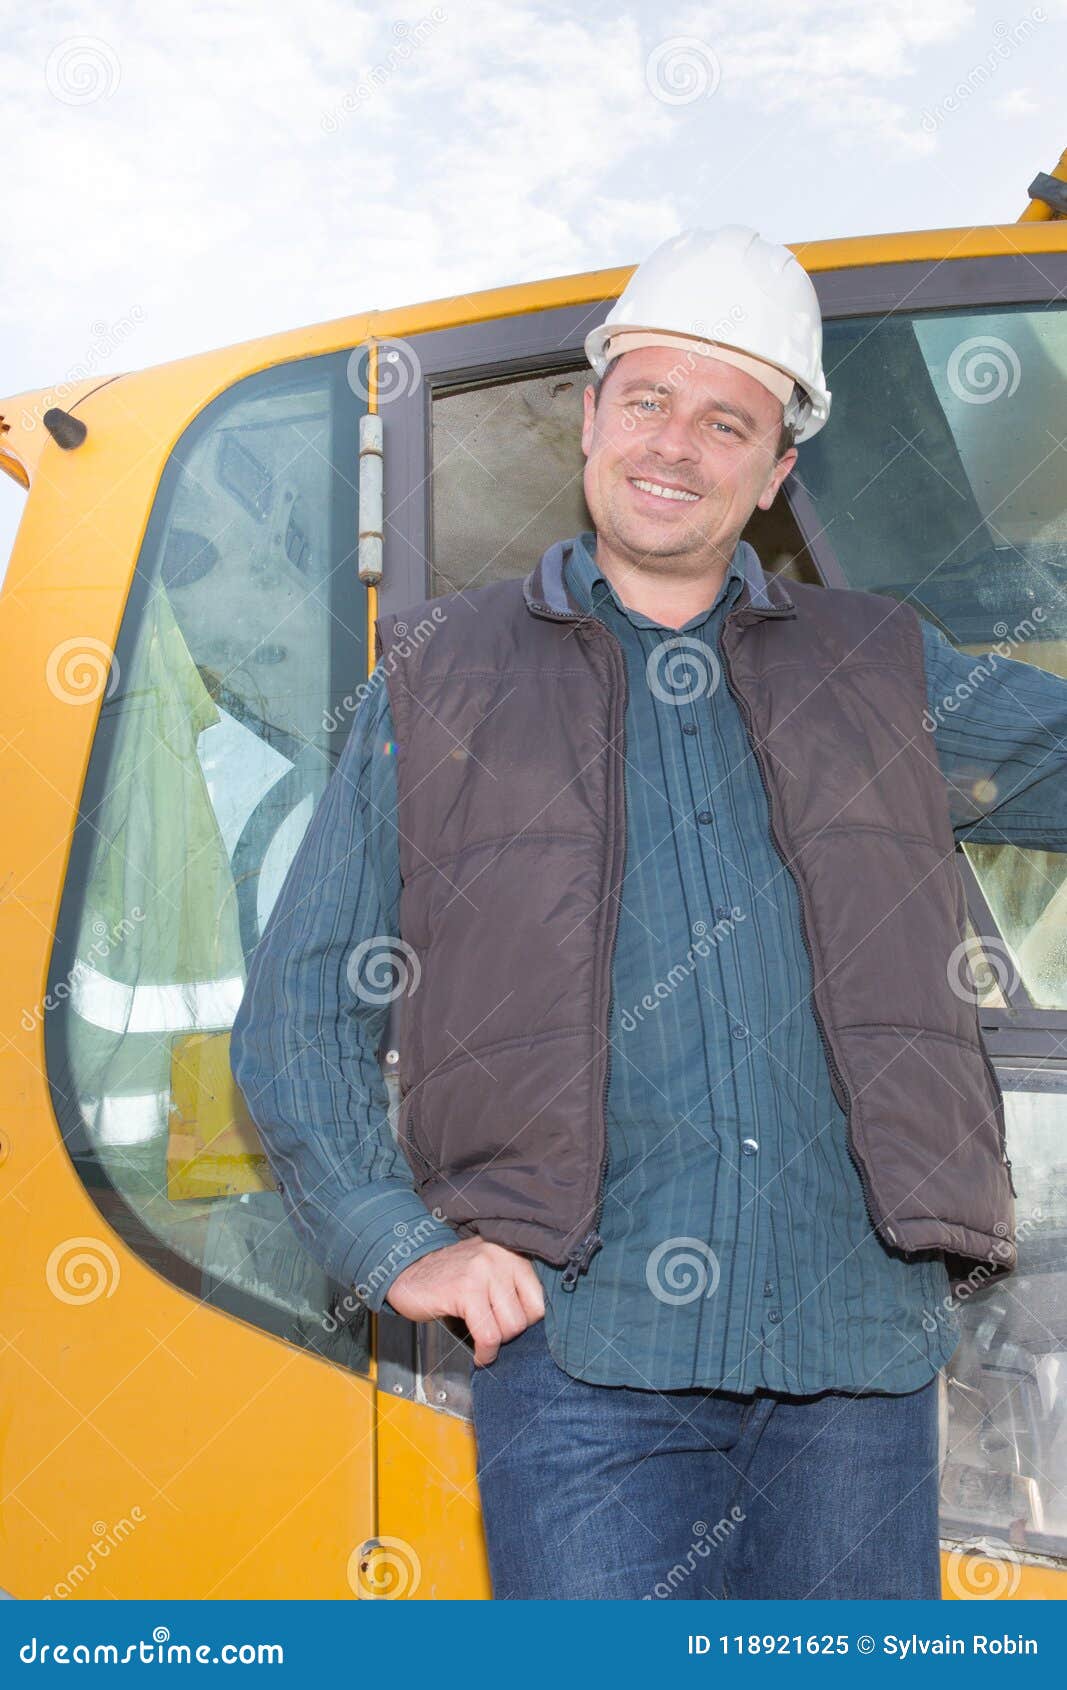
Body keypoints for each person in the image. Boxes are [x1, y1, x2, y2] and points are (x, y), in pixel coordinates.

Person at [231, 225, 1067, 1600]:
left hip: (857, 1359)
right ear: (592, 418)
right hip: (583, 1363)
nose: (677, 444)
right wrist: (395, 1239)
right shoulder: (440, 678)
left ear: (777, 470)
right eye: (651, 401)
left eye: (727, 421)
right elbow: (299, 1009)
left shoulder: (882, 667)